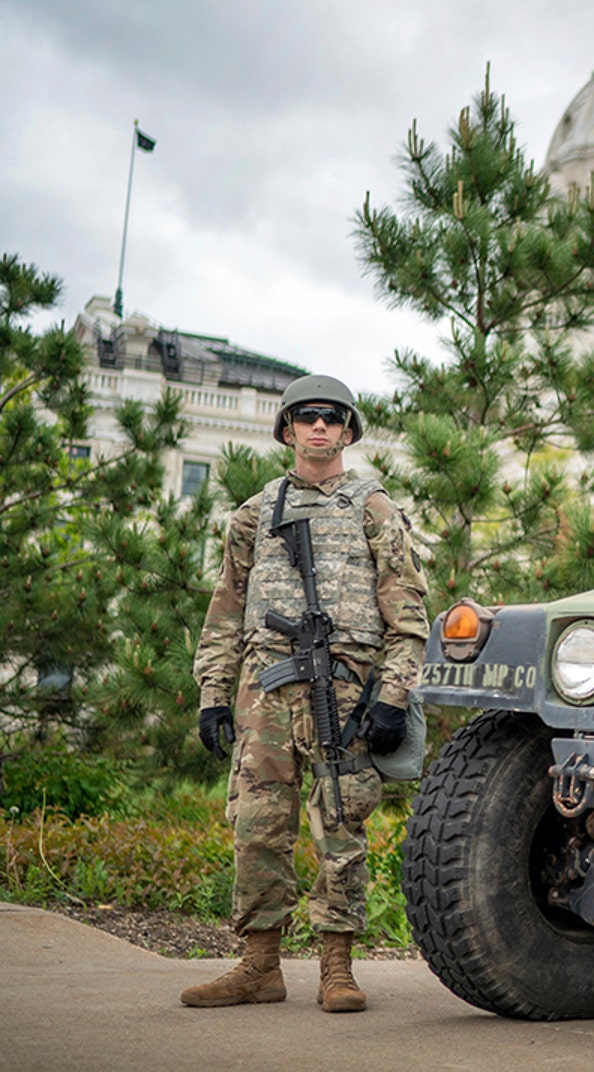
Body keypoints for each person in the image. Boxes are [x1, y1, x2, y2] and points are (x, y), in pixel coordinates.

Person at [182, 375, 428, 1014]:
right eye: (306, 417)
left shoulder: (374, 509)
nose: (319, 427)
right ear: (287, 429)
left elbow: (408, 618)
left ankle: (337, 969)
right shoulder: (254, 514)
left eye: (331, 417)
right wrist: (212, 693)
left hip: (343, 691)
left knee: (341, 825)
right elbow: (226, 613)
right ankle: (259, 966)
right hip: (264, 691)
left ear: (347, 430)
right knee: (258, 827)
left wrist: (393, 698)